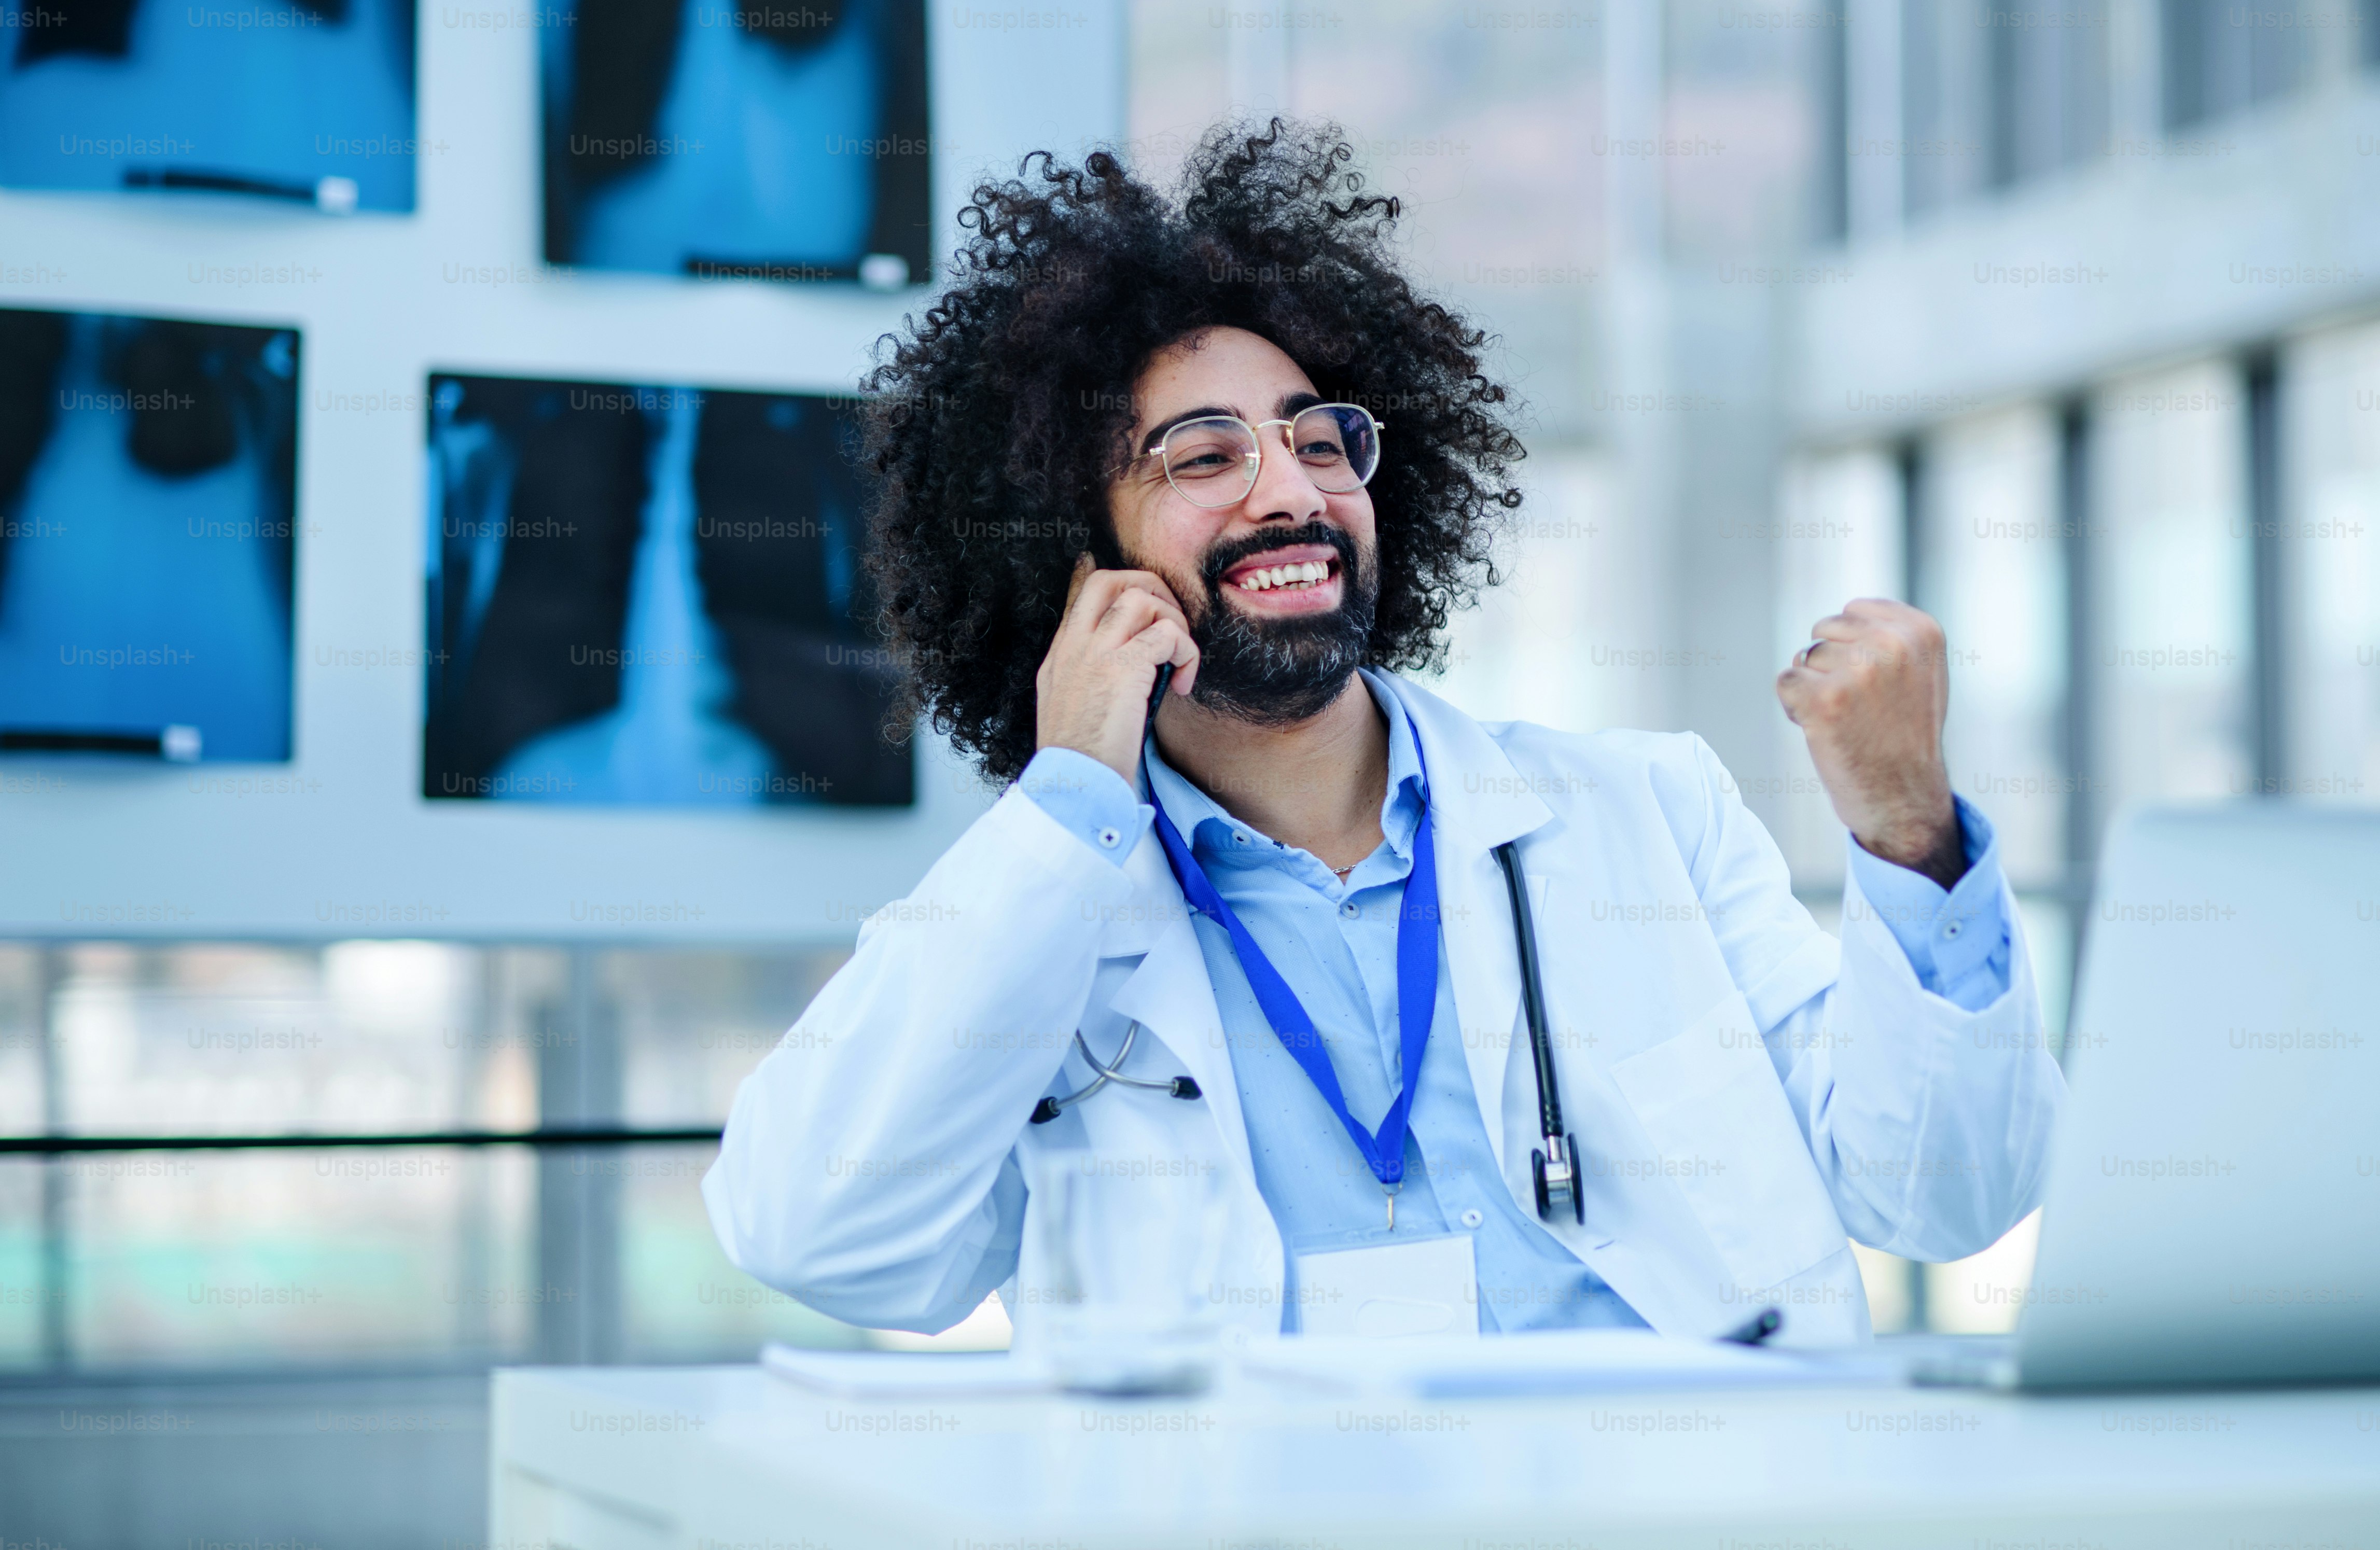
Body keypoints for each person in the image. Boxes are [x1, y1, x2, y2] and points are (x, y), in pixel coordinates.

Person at [702, 122, 2065, 1344]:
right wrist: (1064, 803)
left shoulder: (1649, 810)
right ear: (1072, 558)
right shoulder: (1046, 914)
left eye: (1319, 441)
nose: (1290, 492)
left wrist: (1909, 833)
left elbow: (1945, 1193)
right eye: (1202, 458)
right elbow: (825, 1236)